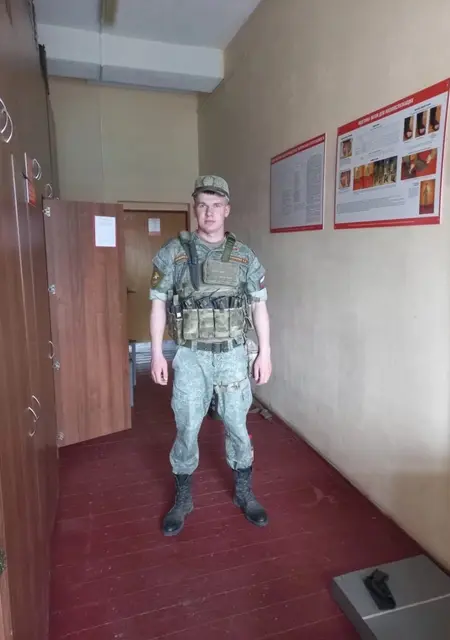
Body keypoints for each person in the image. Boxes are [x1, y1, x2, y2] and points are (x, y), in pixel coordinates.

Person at [149, 175, 272, 536]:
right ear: (195, 208)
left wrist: (265, 353)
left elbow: (259, 307)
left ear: (227, 209)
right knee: (187, 426)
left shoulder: (244, 256)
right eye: (203, 205)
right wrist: (156, 353)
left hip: (233, 355)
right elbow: (157, 304)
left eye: (216, 205)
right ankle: (183, 498)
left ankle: (244, 492)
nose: (209, 212)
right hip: (191, 355)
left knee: (237, 425)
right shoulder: (173, 253)